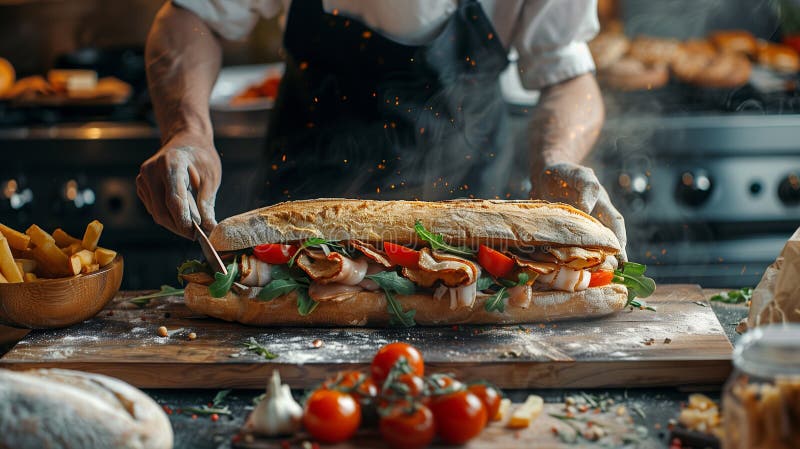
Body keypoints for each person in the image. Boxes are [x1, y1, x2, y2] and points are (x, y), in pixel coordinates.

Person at [137, 0, 627, 259]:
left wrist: (555, 160)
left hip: (475, 224)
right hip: (296, 214)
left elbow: (568, 75)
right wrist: (188, 132)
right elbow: (192, 14)